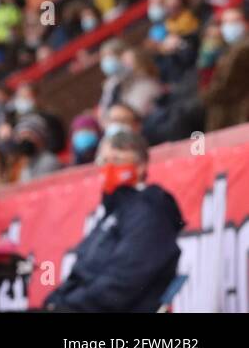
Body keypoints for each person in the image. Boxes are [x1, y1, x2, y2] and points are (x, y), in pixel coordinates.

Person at [44, 131, 184, 312]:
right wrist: (55, 302)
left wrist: (66, 307)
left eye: (117, 160)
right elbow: (82, 273)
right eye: (103, 161)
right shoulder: (112, 212)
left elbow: (122, 282)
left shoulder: (149, 213)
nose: (108, 168)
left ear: (141, 166)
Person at [204, 5, 249, 131]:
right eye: (226, 22)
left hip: (237, 111)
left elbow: (225, 86)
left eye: (234, 21)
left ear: (245, 23)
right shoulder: (226, 49)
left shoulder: (243, 50)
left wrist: (205, 95)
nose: (229, 27)